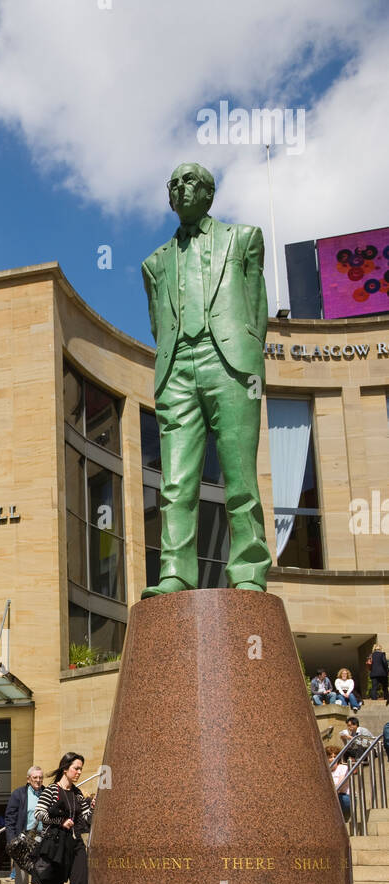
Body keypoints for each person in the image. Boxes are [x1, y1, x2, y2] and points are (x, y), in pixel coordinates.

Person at [141, 163, 271, 597]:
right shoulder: (154, 264)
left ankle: (249, 571)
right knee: (175, 481)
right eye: (172, 182)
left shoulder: (244, 239)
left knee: (239, 476)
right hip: (176, 367)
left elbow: (256, 310)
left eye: (188, 180)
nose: (179, 188)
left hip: (229, 362)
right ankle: (175, 571)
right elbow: (159, 324)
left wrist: (249, 361)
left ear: (210, 193)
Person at [21, 753, 94, 884]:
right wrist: (60, 821)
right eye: (76, 768)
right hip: (56, 846)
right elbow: (39, 813)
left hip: (76, 845)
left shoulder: (78, 794)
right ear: (65, 768)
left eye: (80, 769)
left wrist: (92, 808)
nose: (78, 772)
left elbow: (87, 820)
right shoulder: (52, 790)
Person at [5, 766, 45, 884]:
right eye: (35, 777)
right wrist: (12, 839)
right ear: (28, 779)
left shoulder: (47, 793)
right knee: (22, 874)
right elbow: (9, 818)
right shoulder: (19, 794)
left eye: (40, 777)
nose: (38, 780)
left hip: (43, 837)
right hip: (24, 837)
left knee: (45, 870)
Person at [326, 747, 350, 820]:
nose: (333, 759)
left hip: (343, 796)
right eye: (330, 757)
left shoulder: (343, 768)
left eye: (335, 757)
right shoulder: (325, 770)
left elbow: (340, 785)